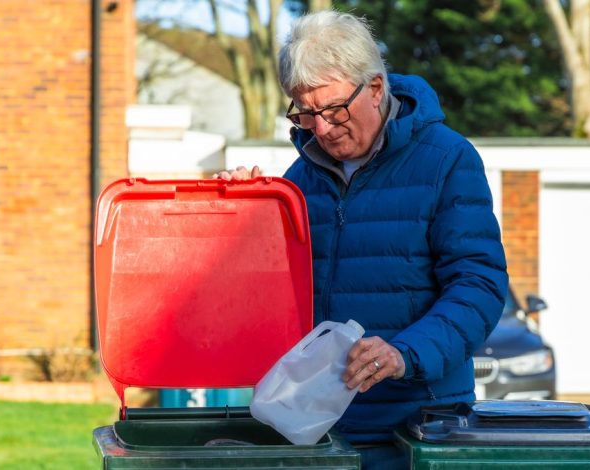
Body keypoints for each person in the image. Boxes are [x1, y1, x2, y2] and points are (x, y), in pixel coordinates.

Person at [216, 10, 508, 468]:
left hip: (417, 429)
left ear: (374, 88)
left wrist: (405, 353)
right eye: (306, 113)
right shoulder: (300, 179)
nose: (323, 129)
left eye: (333, 110)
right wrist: (247, 213)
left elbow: (479, 286)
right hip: (317, 426)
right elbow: (266, 296)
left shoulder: (447, 160)